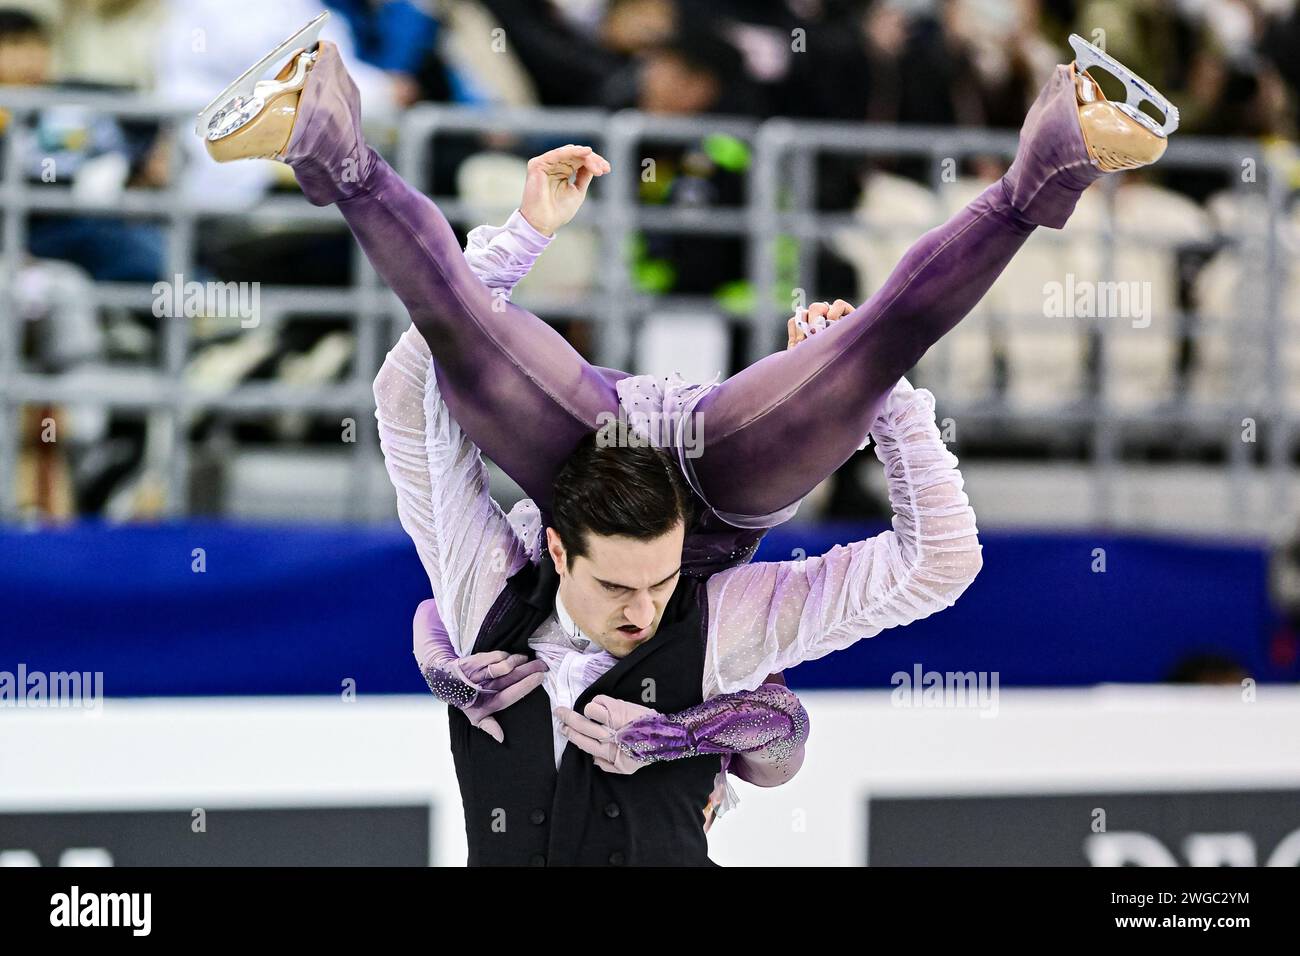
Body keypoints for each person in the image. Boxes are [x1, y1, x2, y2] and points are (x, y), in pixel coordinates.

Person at [200, 21, 1175, 582]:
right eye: (631, 596)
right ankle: (1047, 165)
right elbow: (941, 567)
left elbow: (414, 374)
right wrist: (885, 404)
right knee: (877, 344)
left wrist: (523, 241)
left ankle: (330, 144)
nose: (638, 614)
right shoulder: (733, 654)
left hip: (576, 458)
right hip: (719, 487)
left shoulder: (477, 609)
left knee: (458, 331)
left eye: (642, 594)